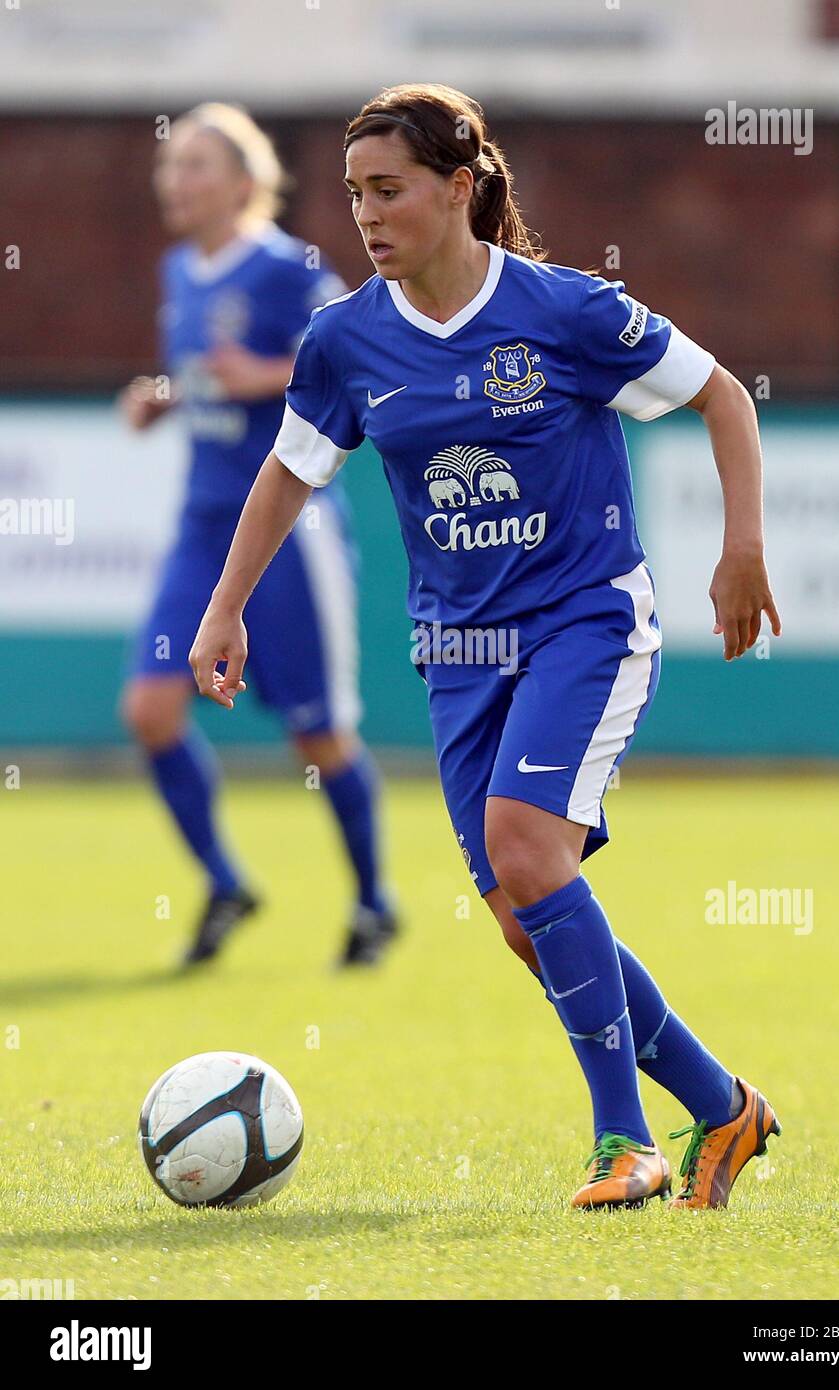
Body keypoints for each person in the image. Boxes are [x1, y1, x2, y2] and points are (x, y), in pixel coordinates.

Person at [189, 84, 783, 1210]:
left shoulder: (565, 312)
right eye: (354, 194)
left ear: (460, 188)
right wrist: (224, 610)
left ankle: (625, 1141)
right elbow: (287, 472)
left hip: (586, 622)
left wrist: (741, 549)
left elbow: (721, 398)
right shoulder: (344, 340)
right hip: (458, 653)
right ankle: (722, 1106)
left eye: (390, 189)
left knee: (521, 844)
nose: (366, 215)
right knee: (525, 916)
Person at [120, 102, 396, 968]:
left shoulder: (287, 269)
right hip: (203, 525)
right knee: (151, 708)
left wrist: (266, 375)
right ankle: (224, 882)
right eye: (171, 166)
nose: (177, 180)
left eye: (196, 165)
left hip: (287, 531)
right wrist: (168, 393)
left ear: (245, 181)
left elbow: (353, 363)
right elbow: (209, 372)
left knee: (318, 738)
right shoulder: (180, 271)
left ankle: (372, 902)